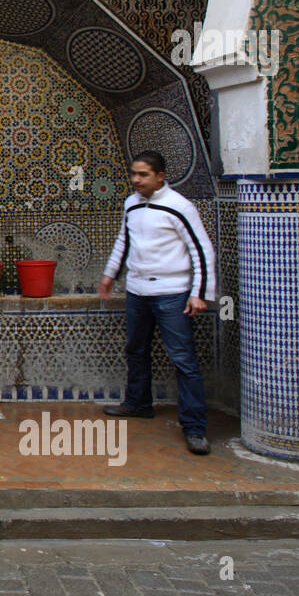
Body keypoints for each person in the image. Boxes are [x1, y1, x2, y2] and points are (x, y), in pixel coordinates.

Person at [98, 150, 216, 454]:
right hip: (138, 292)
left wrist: (199, 293)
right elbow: (123, 243)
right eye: (134, 173)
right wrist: (110, 275)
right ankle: (138, 403)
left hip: (172, 293)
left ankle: (194, 428)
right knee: (136, 350)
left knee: (183, 359)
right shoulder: (131, 204)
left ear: (160, 176)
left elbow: (201, 250)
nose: (136, 180)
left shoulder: (179, 207)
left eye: (143, 175)